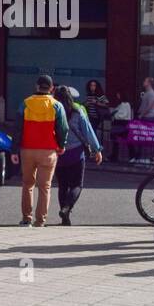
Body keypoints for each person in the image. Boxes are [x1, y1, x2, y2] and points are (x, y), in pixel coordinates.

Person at [15, 75, 68, 227]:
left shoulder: (25, 103)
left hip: (27, 149)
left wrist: (14, 150)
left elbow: (18, 128)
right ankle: (40, 221)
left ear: (37, 87)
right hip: (48, 150)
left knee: (27, 184)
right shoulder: (56, 105)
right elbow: (63, 128)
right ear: (51, 89)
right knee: (45, 187)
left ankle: (26, 218)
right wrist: (61, 145)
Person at [53, 85, 102, 226]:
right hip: (76, 153)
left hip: (59, 153)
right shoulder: (78, 110)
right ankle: (67, 207)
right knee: (77, 185)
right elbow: (88, 131)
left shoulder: (53, 110)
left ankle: (64, 219)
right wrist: (97, 149)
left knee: (62, 186)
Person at [109, 91, 132, 162]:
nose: (117, 96)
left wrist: (115, 115)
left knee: (122, 140)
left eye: (118, 95)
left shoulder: (125, 104)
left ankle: (131, 155)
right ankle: (114, 155)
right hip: (120, 124)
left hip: (121, 124)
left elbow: (123, 115)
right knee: (117, 141)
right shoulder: (122, 104)